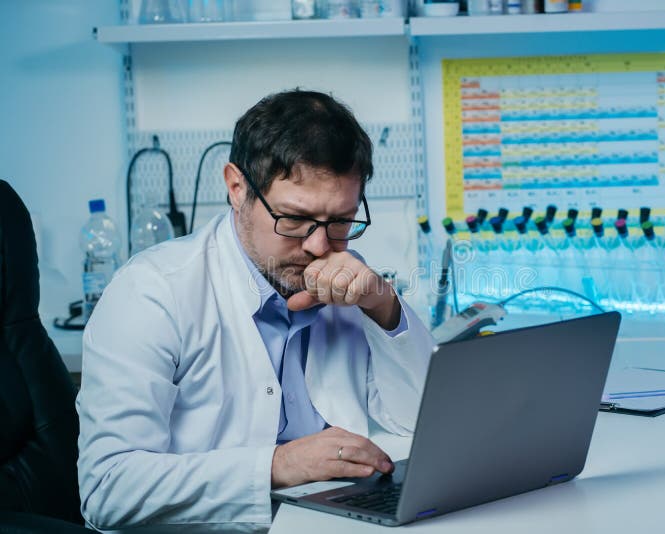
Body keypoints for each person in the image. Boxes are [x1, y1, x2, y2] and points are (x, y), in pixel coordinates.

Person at [76, 90, 434, 532]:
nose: (318, 246)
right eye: (294, 219)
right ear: (237, 187)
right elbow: (108, 488)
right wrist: (277, 465)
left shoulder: (348, 279)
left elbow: (421, 423)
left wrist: (382, 304)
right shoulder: (152, 293)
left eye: (341, 221)